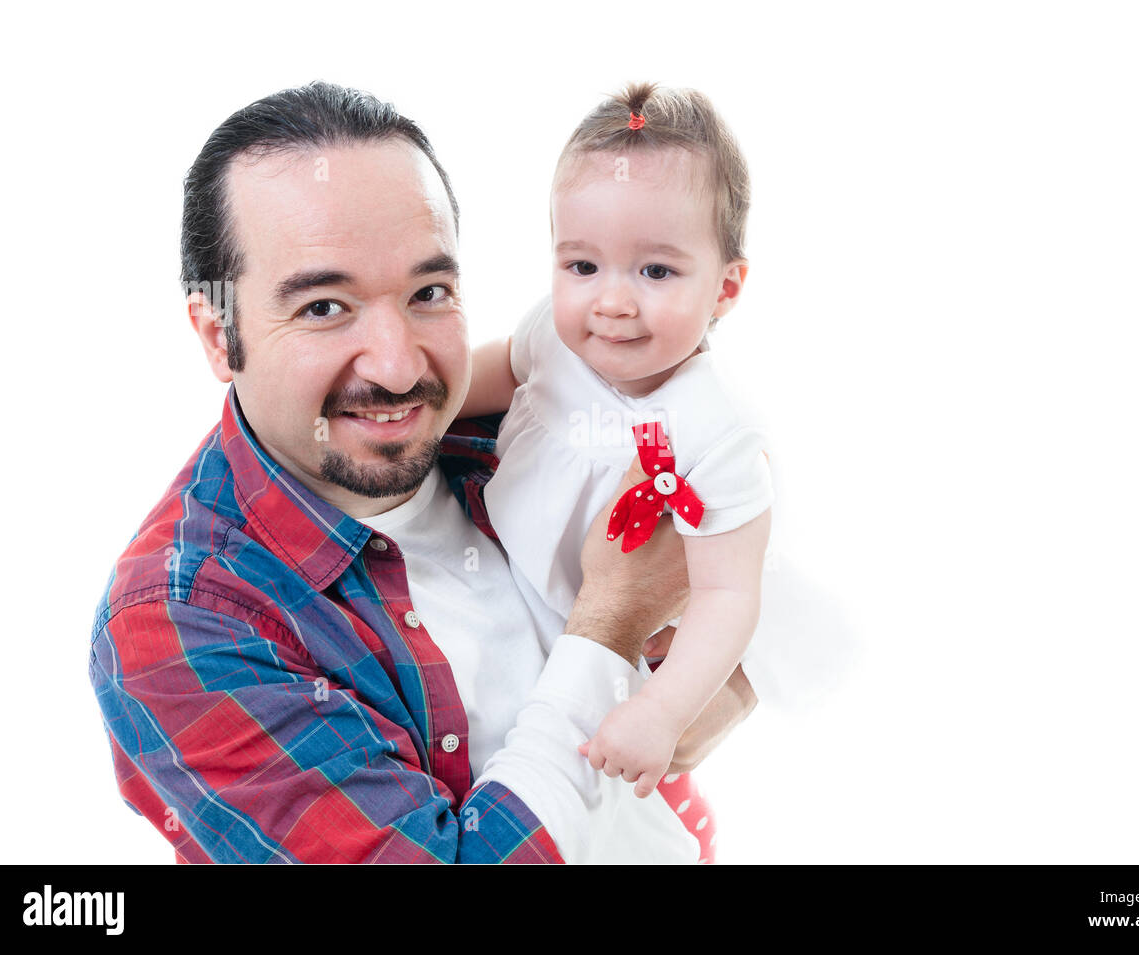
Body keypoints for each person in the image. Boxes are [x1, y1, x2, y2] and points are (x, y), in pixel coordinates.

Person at [88, 81, 758, 864]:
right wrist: (610, 626)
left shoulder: (518, 428)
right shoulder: (180, 619)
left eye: (428, 292)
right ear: (218, 333)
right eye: (323, 307)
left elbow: (731, 558)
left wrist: (717, 679)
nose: (401, 367)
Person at [461, 83, 773, 845]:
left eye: (656, 273)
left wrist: (660, 712)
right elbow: (497, 369)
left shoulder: (716, 432)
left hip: (598, 640)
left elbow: (728, 594)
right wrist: (418, 397)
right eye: (582, 266)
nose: (611, 302)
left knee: (621, 789)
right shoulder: (555, 337)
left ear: (725, 288)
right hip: (498, 581)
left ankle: (681, 827)